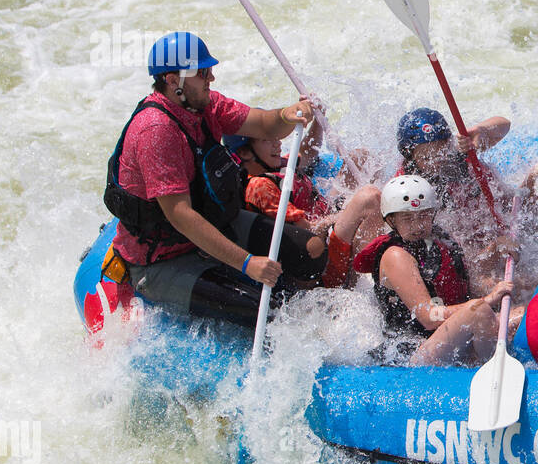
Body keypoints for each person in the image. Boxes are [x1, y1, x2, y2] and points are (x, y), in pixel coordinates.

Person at [103, 31, 325, 327]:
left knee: (312, 253)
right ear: (173, 81)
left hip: (216, 224)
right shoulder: (155, 131)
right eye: (203, 72)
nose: (211, 78)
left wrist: (287, 114)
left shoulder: (206, 105)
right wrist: (248, 264)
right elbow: (180, 215)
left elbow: (262, 123)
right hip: (162, 260)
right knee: (265, 311)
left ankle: (299, 305)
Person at [352, 175, 514, 366]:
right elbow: (428, 316)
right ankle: (492, 368)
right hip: (410, 354)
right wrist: (487, 300)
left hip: (442, 338)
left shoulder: (437, 240)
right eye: (407, 218)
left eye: (423, 215)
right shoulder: (395, 256)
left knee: (519, 312)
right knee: (479, 313)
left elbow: (466, 278)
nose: (417, 225)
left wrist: (496, 250)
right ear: (391, 220)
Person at [226, 133, 382, 289]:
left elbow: (308, 152)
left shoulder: (276, 164)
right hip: (323, 263)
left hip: (328, 222)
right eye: (267, 139)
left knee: (361, 157)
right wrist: (345, 214)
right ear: (245, 153)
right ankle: (358, 283)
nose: (278, 143)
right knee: (370, 198)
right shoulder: (260, 187)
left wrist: (316, 118)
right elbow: (310, 233)